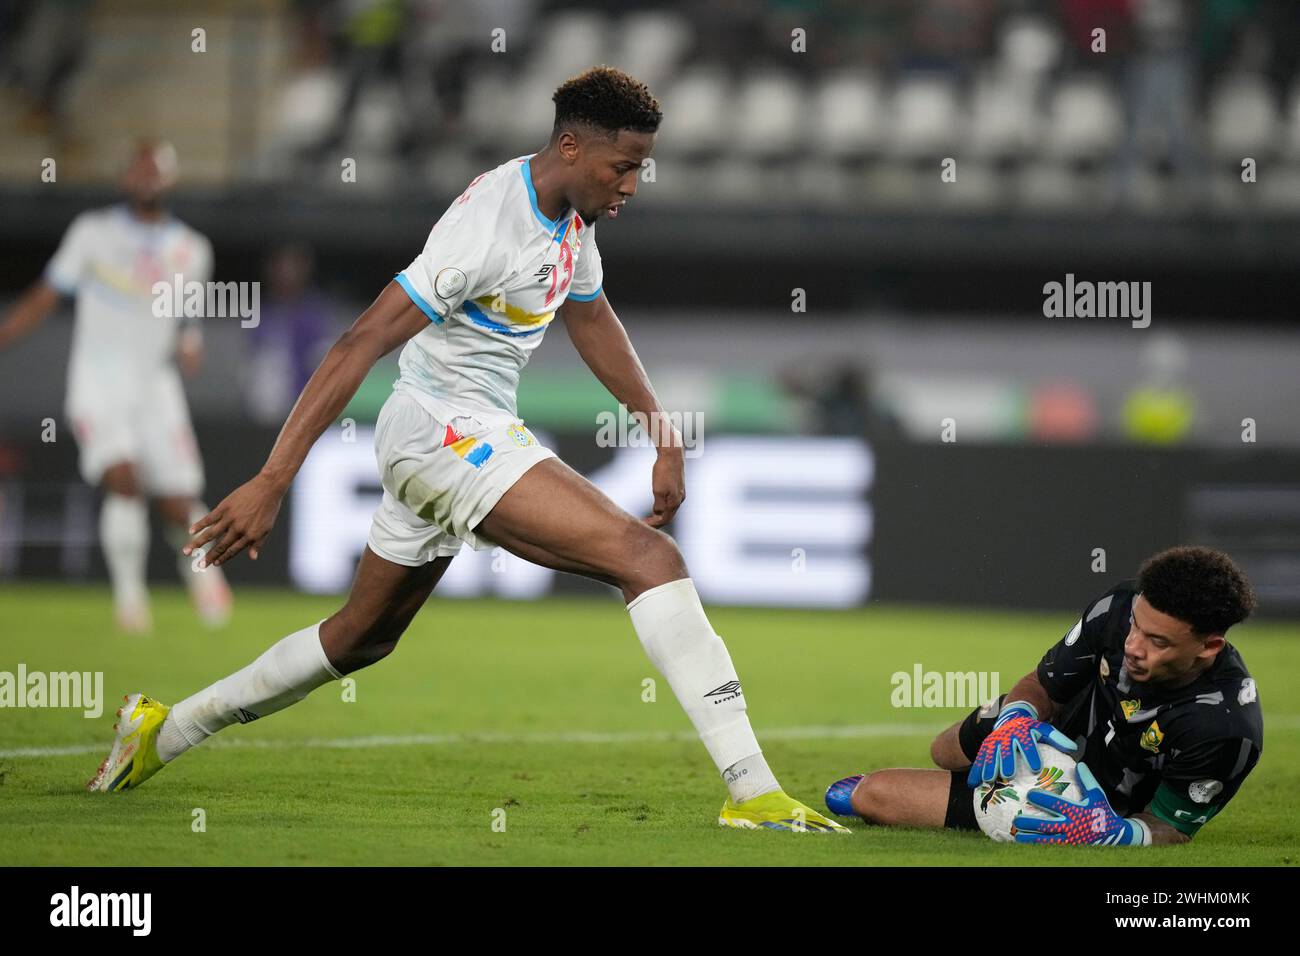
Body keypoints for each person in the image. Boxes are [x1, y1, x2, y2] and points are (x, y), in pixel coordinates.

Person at [88, 67, 845, 833]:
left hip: (465, 431)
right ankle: (751, 789)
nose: (633, 185)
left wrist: (660, 428)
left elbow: (590, 317)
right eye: (625, 166)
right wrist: (272, 478)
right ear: (573, 147)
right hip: (442, 431)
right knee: (649, 559)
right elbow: (362, 340)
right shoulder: (487, 222)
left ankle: (166, 728)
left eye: (641, 168)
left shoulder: (572, 220)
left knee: (360, 638)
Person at [825, 546, 1261, 845]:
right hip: (1047, 730)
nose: (1133, 645)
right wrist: (1016, 716)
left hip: (1092, 803)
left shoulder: (1225, 729)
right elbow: (1046, 683)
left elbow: (1172, 825)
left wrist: (1118, 834)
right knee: (943, 749)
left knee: (871, 795)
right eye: (1136, 627)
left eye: (1157, 642)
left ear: (1208, 647)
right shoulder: (1117, 607)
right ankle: (999, 743)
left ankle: (1003, 800)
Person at [0, 140, 232, 634]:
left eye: (157, 170)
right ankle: (130, 601)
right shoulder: (92, 233)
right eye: (139, 169)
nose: (147, 177)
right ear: (126, 177)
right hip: (98, 383)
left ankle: (202, 578)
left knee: (178, 502)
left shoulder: (192, 250)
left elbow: (188, 323)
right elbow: (47, 294)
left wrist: (190, 345)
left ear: (171, 180)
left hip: (155, 387)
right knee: (122, 478)